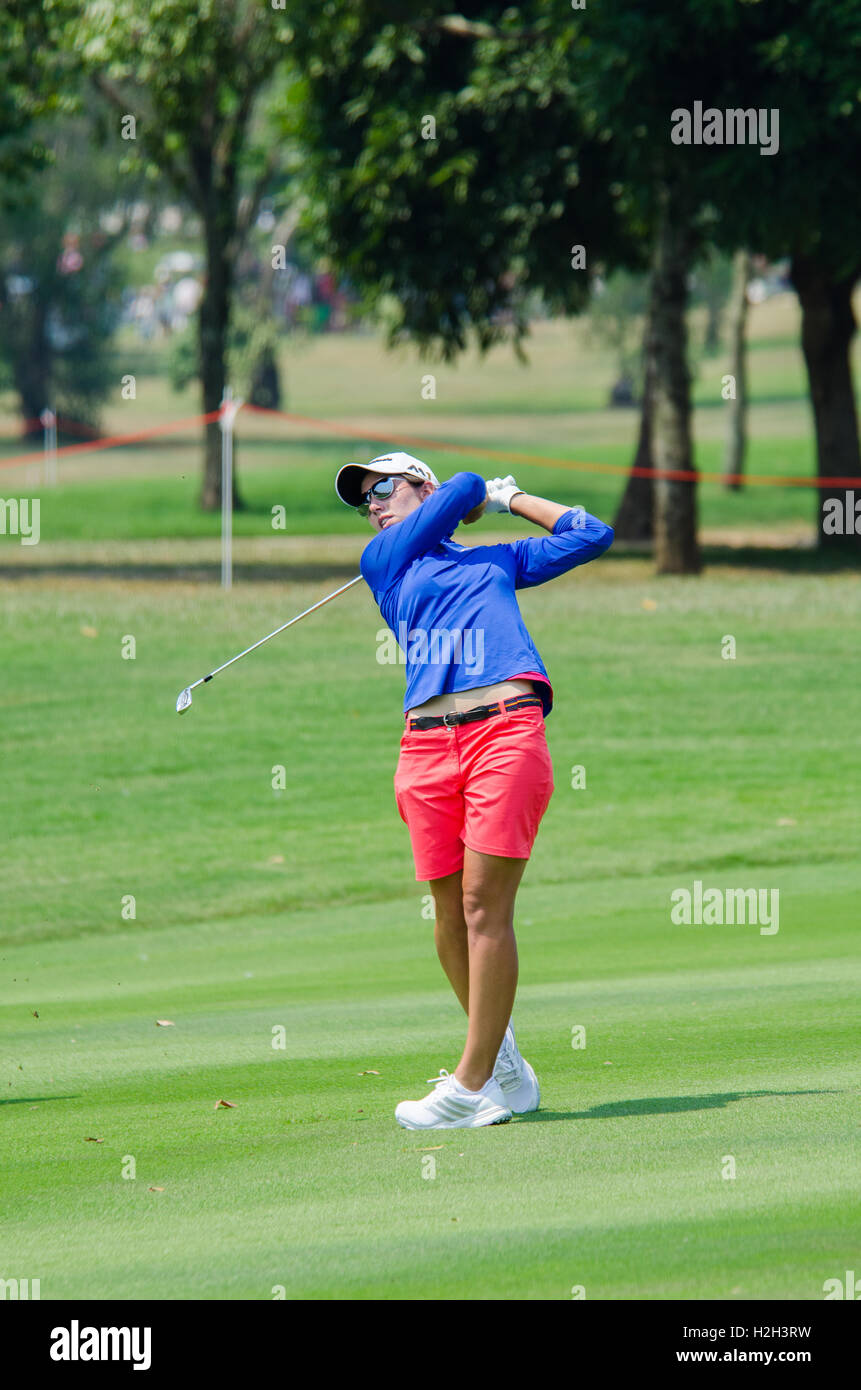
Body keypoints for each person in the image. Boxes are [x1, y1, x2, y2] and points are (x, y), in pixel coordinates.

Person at [335, 452, 614, 1129]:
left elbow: (589, 534)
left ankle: (469, 1082)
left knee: (483, 906)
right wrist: (473, 492)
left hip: (504, 734)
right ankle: (502, 1058)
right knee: (448, 915)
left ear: (418, 488)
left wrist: (512, 496)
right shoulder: (385, 561)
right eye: (364, 497)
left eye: (384, 488)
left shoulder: (494, 562)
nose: (372, 504)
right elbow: (460, 487)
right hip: (425, 746)